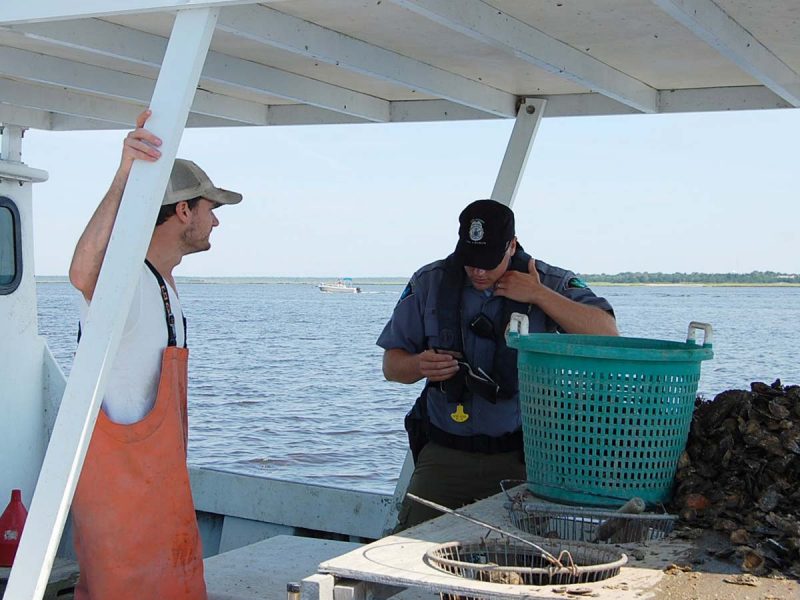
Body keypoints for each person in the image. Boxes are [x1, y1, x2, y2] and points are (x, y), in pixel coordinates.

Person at [68, 109, 242, 599]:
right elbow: (84, 274)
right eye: (212, 207)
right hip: (121, 502)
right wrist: (125, 175)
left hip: (158, 493)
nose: (216, 221)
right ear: (183, 210)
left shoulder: (163, 285)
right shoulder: (126, 283)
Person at [377, 199, 618, 530]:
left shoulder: (548, 281)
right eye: (470, 261)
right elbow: (391, 366)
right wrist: (419, 364)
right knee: (404, 550)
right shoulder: (429, 282)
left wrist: (539, 295)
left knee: (528, 559)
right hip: (445, 456)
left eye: (488, 262)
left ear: (512, 246)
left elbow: (607, 333)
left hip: (525, 459)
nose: (478, 271)